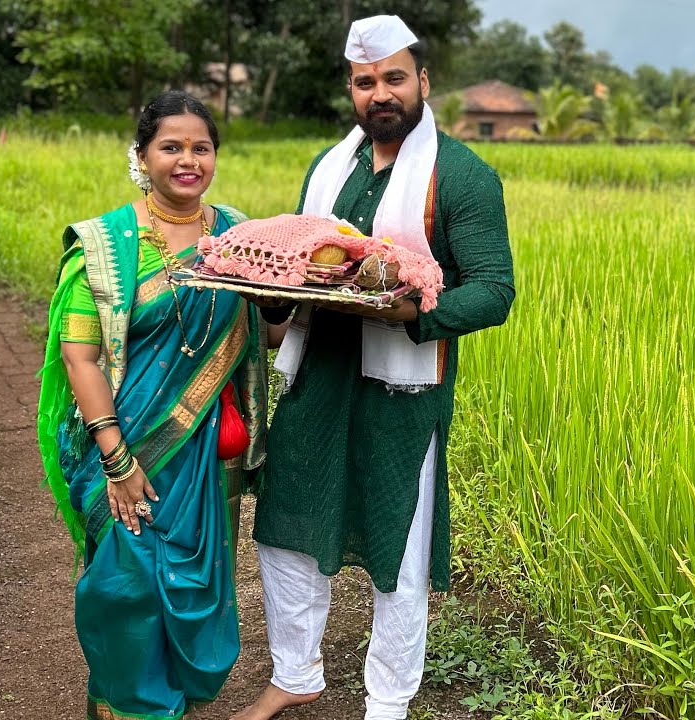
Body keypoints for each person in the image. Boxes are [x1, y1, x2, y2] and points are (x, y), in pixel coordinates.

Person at [232, 15, 515, 720]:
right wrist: (269, 296)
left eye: (393, 77)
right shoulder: (330, 168)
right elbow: (304, 262)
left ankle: (387, 701)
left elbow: (493, 287)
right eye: (365, 81)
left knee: (400, 542)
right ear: (351, 90)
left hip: (402, 392)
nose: (378, 93)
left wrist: (412, 315)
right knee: (286, 523)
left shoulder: (462, 177)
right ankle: (296, 673)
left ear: (422, 81)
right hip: (317, 377)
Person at [37, 90, 278, 720]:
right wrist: (117, 460)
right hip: (124, 449)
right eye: (171, 147)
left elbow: (266, 331)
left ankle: (176, 702)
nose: (187, 160)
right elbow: (79, 358)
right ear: (141, 155)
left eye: (201, 147)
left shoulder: (236, 234)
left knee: (197, 588)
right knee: (128, 590)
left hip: (202, 451)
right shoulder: (103, 245)